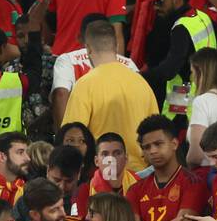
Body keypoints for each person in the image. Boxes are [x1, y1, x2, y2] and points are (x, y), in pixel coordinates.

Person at [61, 21, 159, 174]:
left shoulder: (85, 85)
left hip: (106, 173)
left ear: (88, 49)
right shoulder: (141, 83)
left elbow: (72, 137)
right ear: (116, 47)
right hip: (141, 173)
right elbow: (155, 131)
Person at [184, 48, 217, 168]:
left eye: (192, 72)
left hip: (208, 174)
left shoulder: (202, 102)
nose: (192, 78)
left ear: (200, 73)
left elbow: (196, 155)